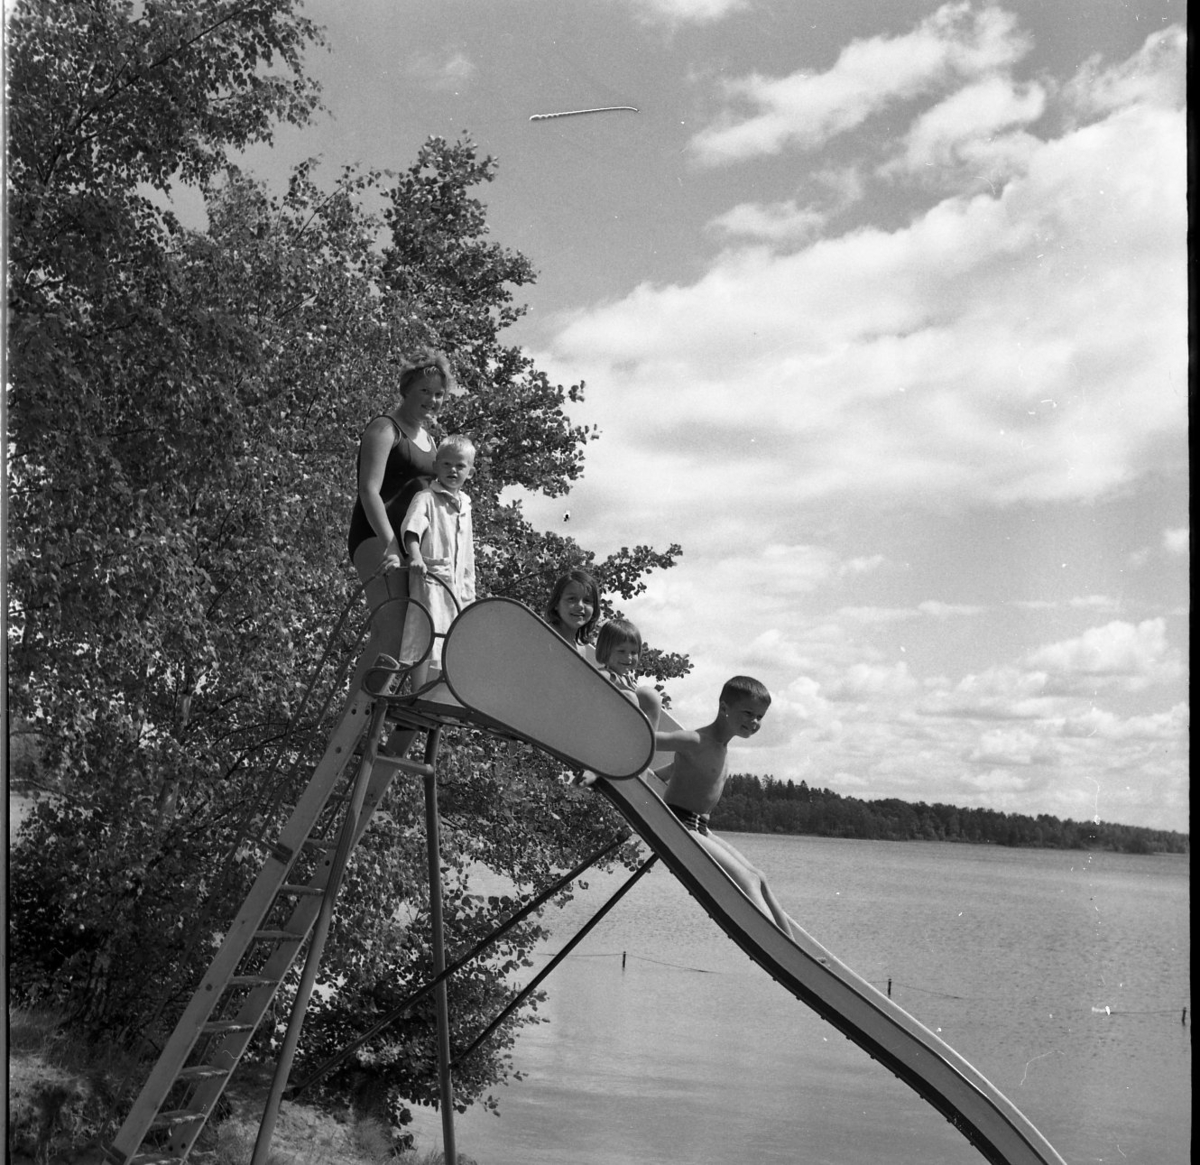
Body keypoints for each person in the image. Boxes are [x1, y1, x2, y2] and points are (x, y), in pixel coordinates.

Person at [653, 676, 795, 936]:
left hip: (701, 828)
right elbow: (646, 738)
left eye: (760, 717)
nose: (754, 722)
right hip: (680, 825)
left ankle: (793, 946)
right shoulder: (694, 740)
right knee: (747, 880)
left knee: (759, 876)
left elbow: (674, 770)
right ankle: (774, 943)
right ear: (724, 708)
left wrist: (655, 779)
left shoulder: (720, 746)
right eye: (748, 713)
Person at [346, 349, 451, 696]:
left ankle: (374, 707)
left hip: (408, 546)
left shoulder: (432, 442)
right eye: (425, 391)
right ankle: (355, 714)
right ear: (407, 389)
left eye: (438, 394)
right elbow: (368, 489)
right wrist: (391, 543)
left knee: (411, 630)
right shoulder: (385, 428)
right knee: (390, 627)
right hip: (376, 535)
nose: (432, 400)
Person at [399, 434, 477, 692]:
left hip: (457, 584)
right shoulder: (426, 498)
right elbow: (412, 530)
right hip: (430, 577)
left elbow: (467, 551)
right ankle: (418, 689)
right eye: (446, 464)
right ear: (436, 466)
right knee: (425, 631)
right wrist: (416, 557)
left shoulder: (465, 504)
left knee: (453, 636)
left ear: (470, 471)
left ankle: (437, 692)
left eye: (460, 466)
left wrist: (469, 587)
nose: (453, 470)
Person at [594, 617, 662, 730]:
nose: (628, 657)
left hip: (627, 728)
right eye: (621, 651)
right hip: (604, 727)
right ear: (606, 650)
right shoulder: (608, 674)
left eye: (634, 652)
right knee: (629, 697)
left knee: (650, 694)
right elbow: (594, 679)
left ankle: (649, 739)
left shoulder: (628, 680)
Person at [543, 568, 601, 656]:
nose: (580, 605)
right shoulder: (544, 637)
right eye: (572, 599)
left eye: (587, 600)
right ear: (556, 603)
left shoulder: (580, 648)